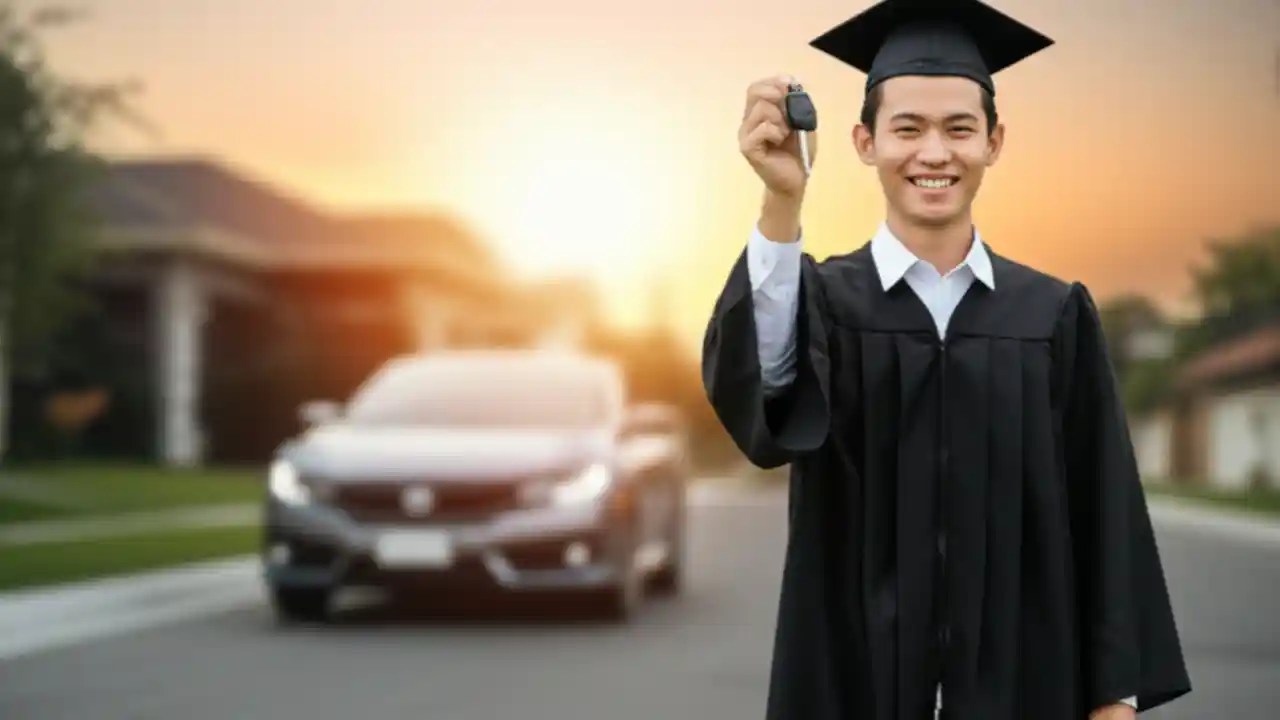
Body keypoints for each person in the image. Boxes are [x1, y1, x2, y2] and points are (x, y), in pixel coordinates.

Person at [701, 0, 1192, 718]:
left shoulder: (1051, 316)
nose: (934, 153)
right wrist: (782, 204)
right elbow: (765, 396)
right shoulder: (824, 304)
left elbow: (1104, 506)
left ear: (994, 142)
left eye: (959, 128)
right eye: (908, 128)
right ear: (865, 142)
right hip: (853, 686)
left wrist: (1114, 695)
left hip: (1026, 688)